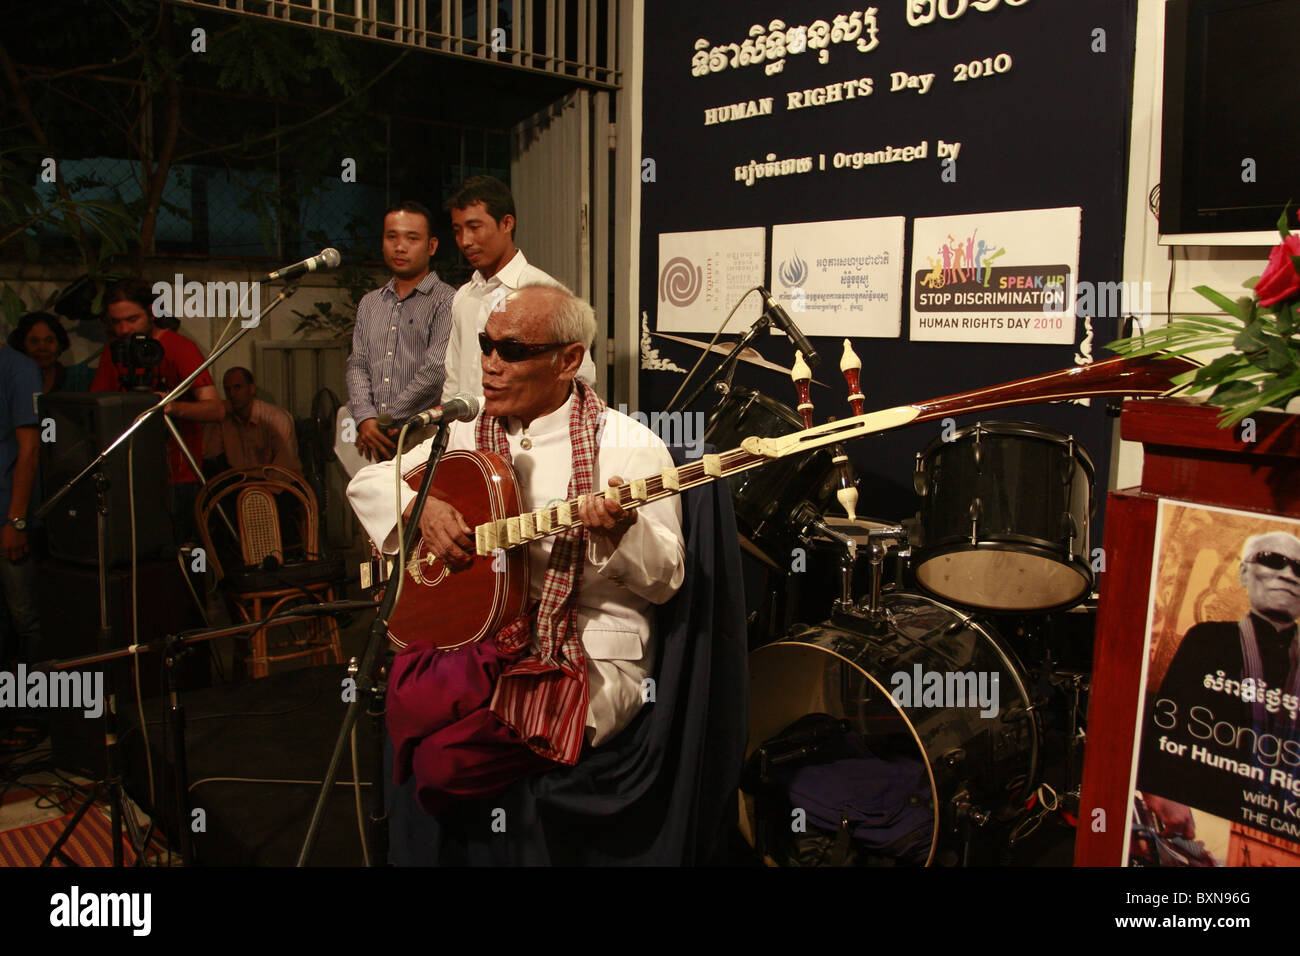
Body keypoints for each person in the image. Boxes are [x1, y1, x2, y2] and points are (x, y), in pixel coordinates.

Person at [348, 283, 684, 815]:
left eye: (512, 350)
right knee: (405, 705)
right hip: (479, 641)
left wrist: (622, 532)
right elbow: (367, 483)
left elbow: (666, 579)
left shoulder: (628, 445)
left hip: (580, 649)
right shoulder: (465, 435)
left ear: (569, 360)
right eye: (485, 344)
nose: (490, 365)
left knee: (443, 763)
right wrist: (418, 507)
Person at [1139, 531, 1300, 816]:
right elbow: (1166, 732)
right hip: (1201, 803)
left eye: (1298, 568)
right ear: (1243, 573)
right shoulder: (1207, 640)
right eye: (1273, 560)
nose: (1288, 574)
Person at [440, 176, 596, 405]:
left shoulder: (547, 294)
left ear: (506, 224)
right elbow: (453, 377)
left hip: (523, 436)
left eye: (474, 228)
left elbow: (581, 376)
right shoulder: (465, 295)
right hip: (466, 435)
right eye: (457, 230)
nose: (465, 241)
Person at [90, 279, 224, 543]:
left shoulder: (179, 348)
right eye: (116, 322)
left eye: (132, 319)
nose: (124, 329)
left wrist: (171, 407)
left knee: (179, 550)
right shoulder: (112, 352)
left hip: (177, 474)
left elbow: (216, 410)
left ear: (151, 313)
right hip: (126, 470)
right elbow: (96, 404)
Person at [346, 201, 456, 464]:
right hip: (374, 435)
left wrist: (385, 421)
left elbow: (436, 371)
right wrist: (365, 418)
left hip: (425, 434)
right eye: (391, 236)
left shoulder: (447, 300)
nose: (400, 246)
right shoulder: (370, 303)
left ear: (431, 246)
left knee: (419, 505)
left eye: (412, 238)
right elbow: (357, 364)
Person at [0, 337, 43, 749]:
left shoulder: (17, 369)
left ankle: (31, 713)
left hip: (8, 513)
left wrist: (16, 518)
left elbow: (29, 451)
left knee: (26, 619)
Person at [204, 367, 302, 474]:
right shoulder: (225, 420)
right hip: (242, 483)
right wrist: (215, 412)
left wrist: (261, 490)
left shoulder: (276, 418)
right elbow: (208, 453)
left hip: (279, 484)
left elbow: (284, 466)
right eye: (227, 389)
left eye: (237, 387)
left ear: (251, 389)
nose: (232, 394)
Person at [8, 312, 93, 393]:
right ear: (22, 345)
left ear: (59, 344)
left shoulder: (78, 380)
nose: (43, 347)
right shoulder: (10, 382)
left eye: (49, 341)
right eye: (34, 341)